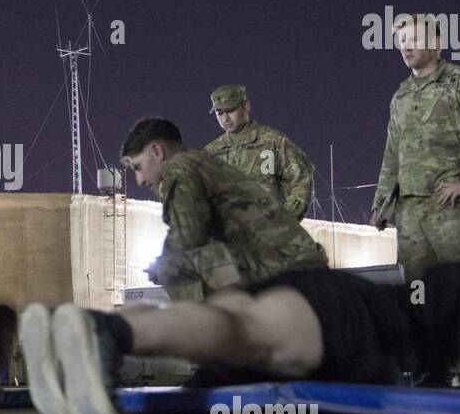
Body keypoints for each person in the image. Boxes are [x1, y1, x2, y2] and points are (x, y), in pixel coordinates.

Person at [19, 262, 460, 414]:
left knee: (230, 320)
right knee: (248, 334)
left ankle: (86, 325)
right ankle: (108, 333)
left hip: (314, 293)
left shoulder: (425, 292)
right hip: (352, 319)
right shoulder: (449, 287)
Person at [369, 13, 460, 387]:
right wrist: (383, 202)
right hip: (411, 214)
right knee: (418, 294)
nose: (406, 47)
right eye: (400, 41)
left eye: (414, 39)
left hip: (452, 209)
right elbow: (392, 152)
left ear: (436, 43)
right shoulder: (401, 94)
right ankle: (432, 368)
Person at [120, 116, 327, 302]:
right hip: (300, 264)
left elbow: (187, 238)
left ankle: (219, 330)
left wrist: (158, 266)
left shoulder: (180, 167)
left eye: (138, 167)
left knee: (173, 266)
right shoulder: (203, 161)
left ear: (157, 151)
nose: (139, 180)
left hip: (288, 270)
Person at [204, 84, 315, 218]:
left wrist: (284, 221)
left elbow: (301, 178)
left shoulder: (272, 141)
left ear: (246, 106)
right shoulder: (211, 152)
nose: (225, 118)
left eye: (231, 110)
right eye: (220, 113)